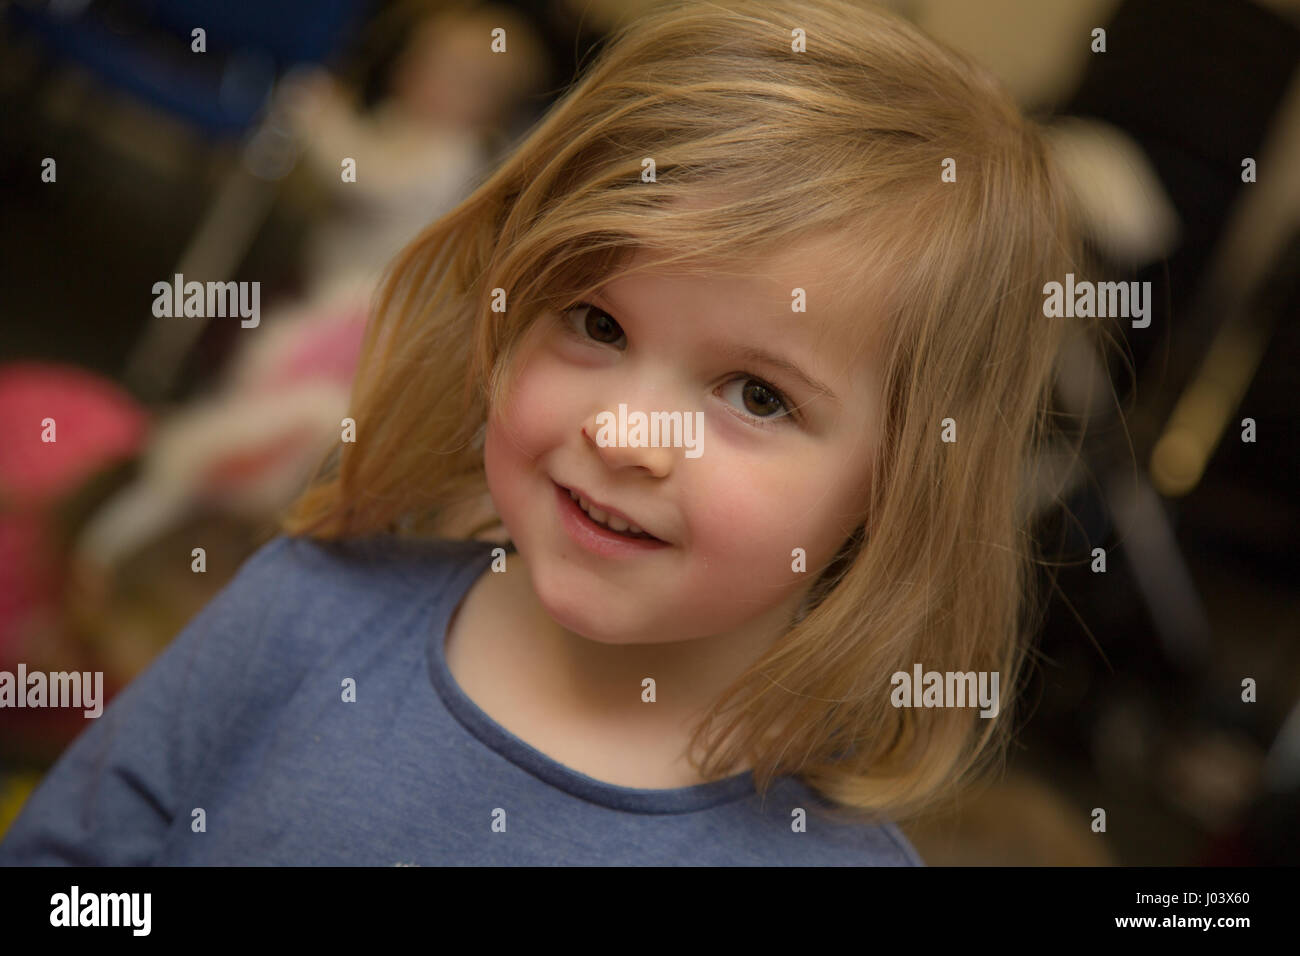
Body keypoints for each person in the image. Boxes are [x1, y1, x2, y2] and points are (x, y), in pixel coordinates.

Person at [0, 0, 1092, 866]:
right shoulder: (304, 608)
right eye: (597, 322)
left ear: (904, 486)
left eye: (757, 395)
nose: (624, 431)